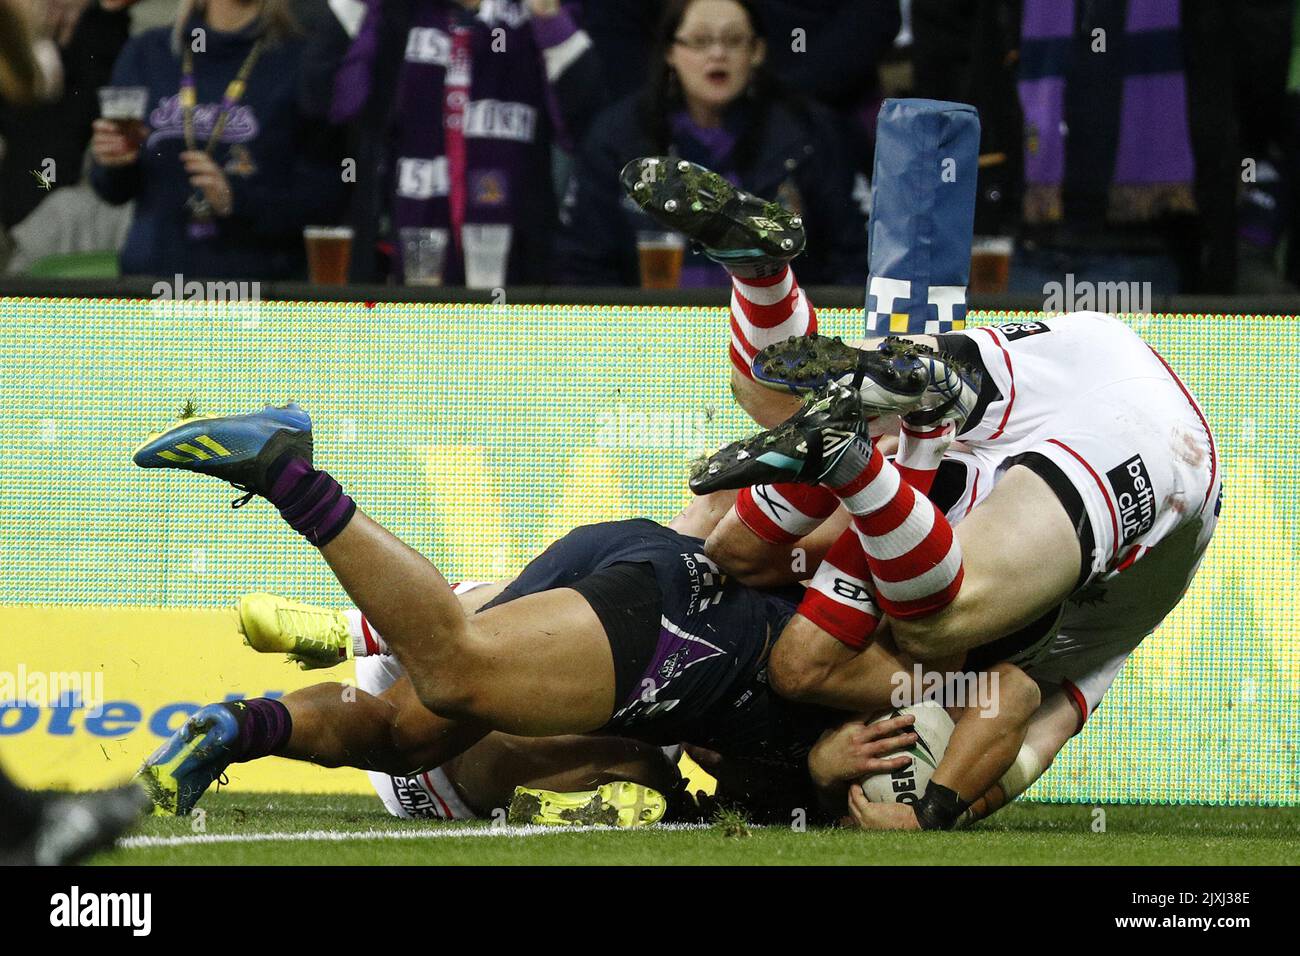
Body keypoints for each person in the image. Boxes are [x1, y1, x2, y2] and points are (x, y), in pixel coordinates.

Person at [620, 154, 1221, 830]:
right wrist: (933, 815)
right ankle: (828, 357)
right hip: (1158, 451)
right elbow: (1019, 729)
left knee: (776, 418)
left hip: (1090, 362)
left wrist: (849, 774)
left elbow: (1013, 730)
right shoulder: (1012, 672)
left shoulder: (887, 658)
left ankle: (772, 284)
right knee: (932, 623)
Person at [554, 0, 868, 286]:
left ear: (756, 51)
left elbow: (853, 259)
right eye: (701, 41)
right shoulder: (617, 139)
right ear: (670, 52)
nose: (717, 54)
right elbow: (583, 267)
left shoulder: (810, 135)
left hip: (778, 337)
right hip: (649, 336)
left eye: (733, 40)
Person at [323, 0, 608, 284]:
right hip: (414, 274)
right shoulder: (395, 13)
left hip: (519, 278)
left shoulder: (531, 16)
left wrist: (549, 17)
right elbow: (329, 102)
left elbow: (589, 126)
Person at [89, 0, 347, 279]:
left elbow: (327, 199)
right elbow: (112, 189)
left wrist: (238, 200)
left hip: (259, 291)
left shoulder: (302, 59)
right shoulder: (147, 53)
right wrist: (114, 160)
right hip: (155, 284)